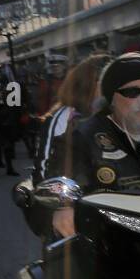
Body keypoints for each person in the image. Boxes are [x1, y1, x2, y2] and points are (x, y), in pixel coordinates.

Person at [49, 53, 140, 239]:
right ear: (111, 99)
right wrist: (64, 206)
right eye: (132, 92)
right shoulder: (81, 138)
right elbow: (63, 176)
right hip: (119, 235)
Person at [35, 53, 111, 186]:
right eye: (107, 82)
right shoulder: (62, 117)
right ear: (88, 85)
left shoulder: (115, 110)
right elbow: (44, 169)